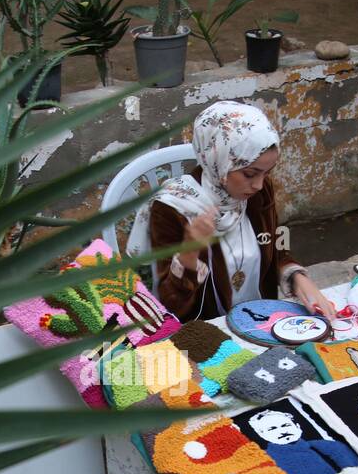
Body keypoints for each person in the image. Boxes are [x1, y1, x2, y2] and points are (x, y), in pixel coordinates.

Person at [127, 101, 337, 322]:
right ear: (220, 161)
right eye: (250, 174)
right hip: (207, 333)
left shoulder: (259, 192)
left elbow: (276, 246)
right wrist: (189, 253)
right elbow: (170, 306)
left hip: (260, 321)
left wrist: (296, 276)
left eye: (266, 173)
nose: (258, 185)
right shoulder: (174, 207)